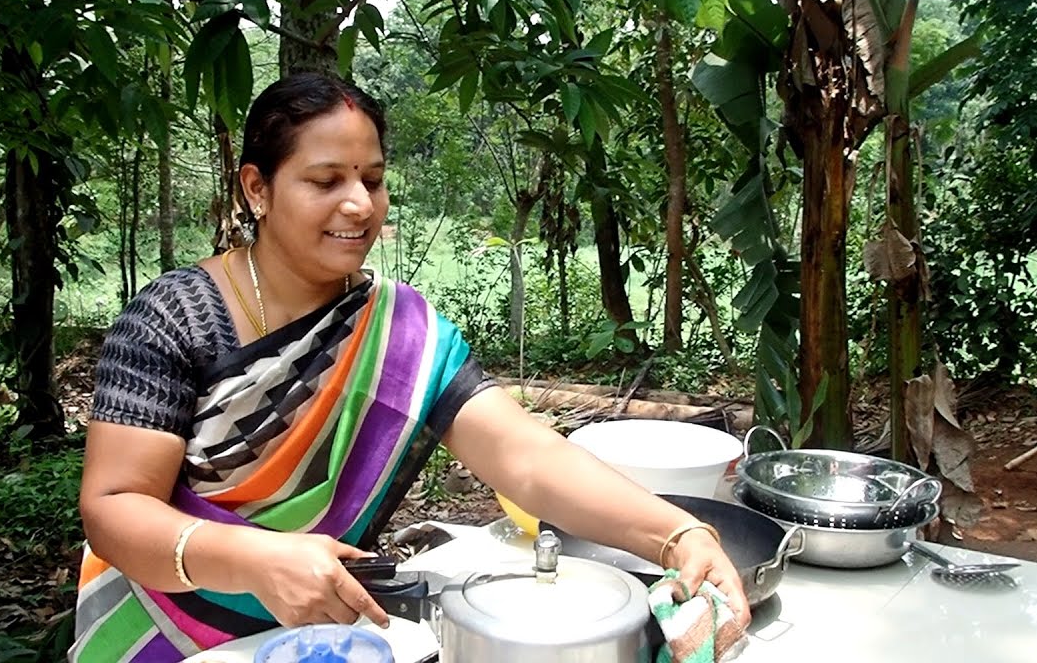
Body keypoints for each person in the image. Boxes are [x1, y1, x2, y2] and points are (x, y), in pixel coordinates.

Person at [71, 72, 750, 663]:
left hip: (327, 638)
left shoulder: (401, 330)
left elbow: (525, 458)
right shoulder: (173, 319)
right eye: (325, 180)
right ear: (257, 187)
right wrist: (255, 560)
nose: (360, 205)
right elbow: (113, 508)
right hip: (164, 633)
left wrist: (676, 533)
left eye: (372, 179)